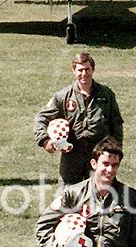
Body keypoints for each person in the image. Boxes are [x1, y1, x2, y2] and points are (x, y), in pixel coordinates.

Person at [34, 52, 124, 187]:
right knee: (67, 197)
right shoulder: (62, 96)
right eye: (80, 70)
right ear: (74, 71)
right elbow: (41, 118)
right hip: (72, 154)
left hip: (98, 154)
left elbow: (116, 124)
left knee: (101, 194)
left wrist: (115, 151)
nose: (84, 74)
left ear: (93, 69)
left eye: (87, 69)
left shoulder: (106, 95)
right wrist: (45, 141)